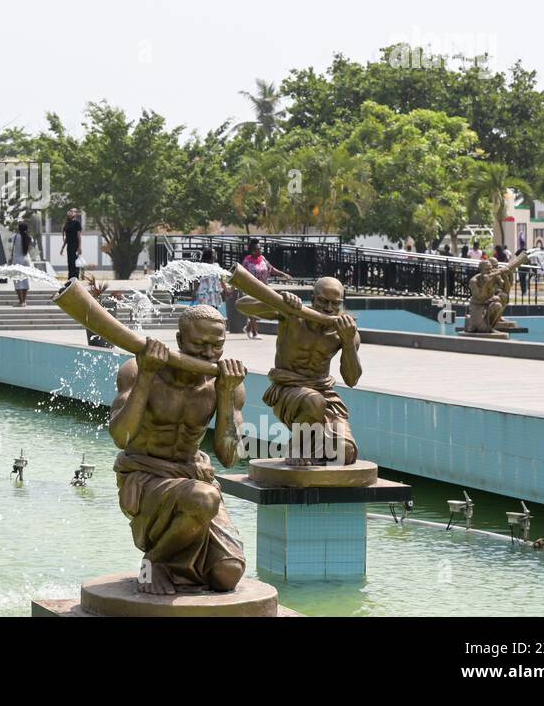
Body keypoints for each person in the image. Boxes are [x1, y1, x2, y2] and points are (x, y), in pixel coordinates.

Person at [110, 308, 248, 594]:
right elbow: (121, 437)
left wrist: (225, 394)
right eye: (199, 344)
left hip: (192, 476)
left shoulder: (227, 385)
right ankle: (154, 561)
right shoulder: (138, 370)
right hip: (145, 475)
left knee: (228, 574)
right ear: (179, 339)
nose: (209, 353)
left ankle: (171, 558)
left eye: (217, 345)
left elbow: (231, 456)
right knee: (205, 498)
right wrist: (146, 376)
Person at [235, 278, 362, 465]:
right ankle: (297, 448)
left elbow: (352, 380)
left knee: (346, 453)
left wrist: (349, 342)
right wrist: (281, 301)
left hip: (322, 391)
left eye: (335, 304)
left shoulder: (345, 332)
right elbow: (242, 305)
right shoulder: (293, 315)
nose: (328, 308)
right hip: (288, 388)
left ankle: (313, 461)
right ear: (313, 298)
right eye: (322, 301)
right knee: (313, 401)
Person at [241, 240, 291, 339]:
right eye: (258, 249)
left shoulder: (262, 258)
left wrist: (283, 274)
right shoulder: (246, 261)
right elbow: (242, 274)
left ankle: (248, 328)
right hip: (251, 287)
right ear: (253, 251)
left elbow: (271, 269)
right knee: (253, 308)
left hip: (263, 287)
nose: (261, 250)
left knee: (262, 308)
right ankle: (255, 333)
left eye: (260, 248)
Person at [8, 220, 36, 306]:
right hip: (26, 260)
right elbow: (32, 246)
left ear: (19, 229)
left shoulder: (16, 236)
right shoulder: (28, 237)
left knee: (17, 281)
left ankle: (21, 302)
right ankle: (24, 301)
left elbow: (9, 240)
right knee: (25, 280)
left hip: (17, 260)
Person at [61, 208, 83, 279]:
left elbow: (79, 236)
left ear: (76, 214)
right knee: (70, 263)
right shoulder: (67, 223)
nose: (71, 213)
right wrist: (62, 248)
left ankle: (75, 279)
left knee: (74, 263)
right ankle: (70, 279)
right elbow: (66, 237)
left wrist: (79, 247)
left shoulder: (77, 223)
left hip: (75, 245)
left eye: (73, 212)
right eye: (70, 211)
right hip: (69, 245)